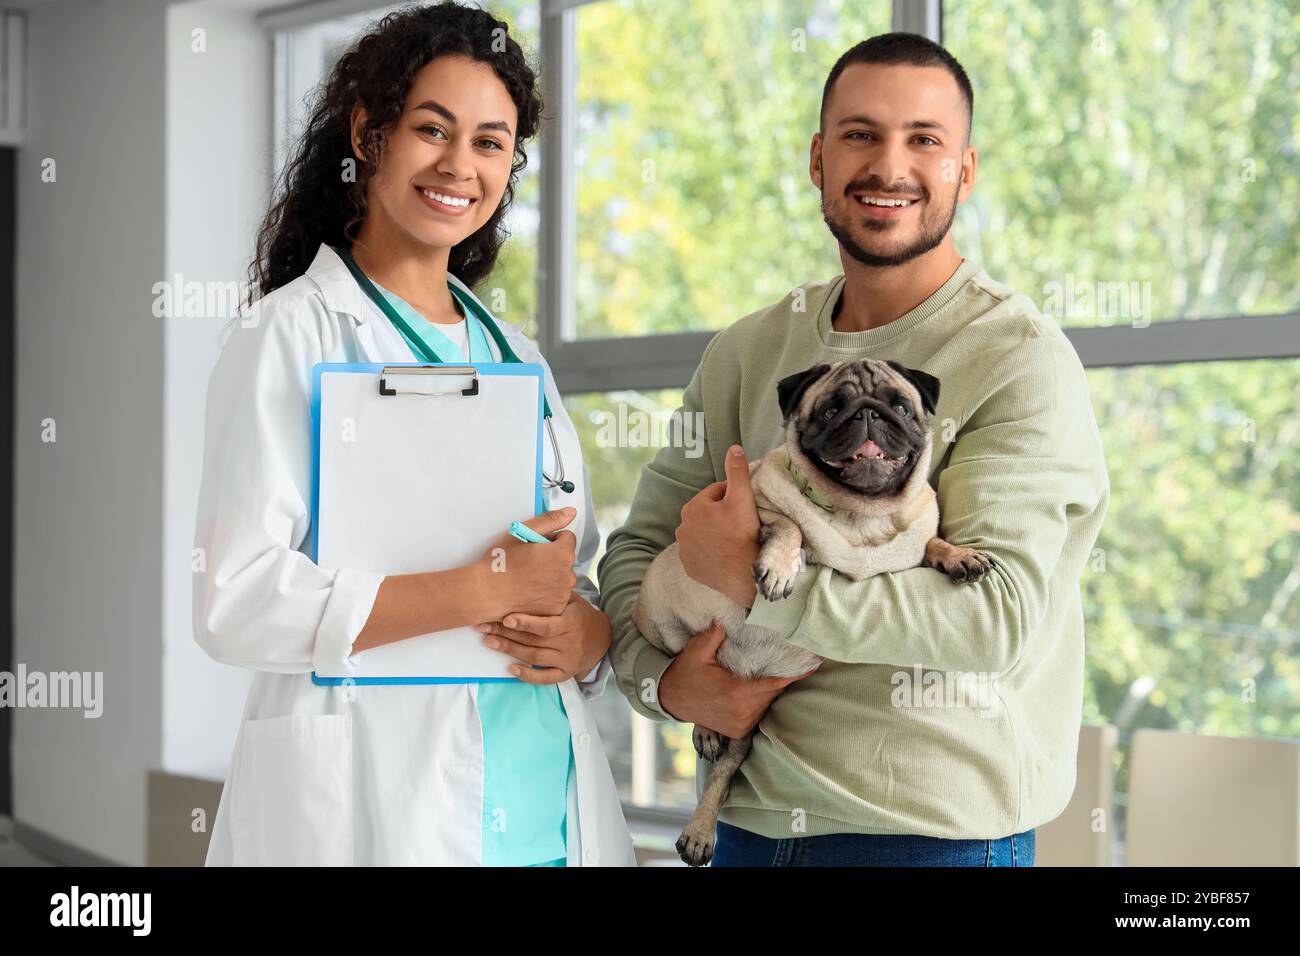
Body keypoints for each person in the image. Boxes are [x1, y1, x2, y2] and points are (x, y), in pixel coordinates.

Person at [598, 33, 1110, 867]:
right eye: (861, 134)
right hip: (746, 826)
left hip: (929, 836)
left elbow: (995, 617)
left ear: (965, 171)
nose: (890, 166)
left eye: (925, 140)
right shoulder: (745, 350)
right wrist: (659, 683)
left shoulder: (1019, 356)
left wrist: (754, 586)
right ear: (818, 158)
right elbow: (638, 550)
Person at [193, 1, 634, 867]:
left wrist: (588, 635)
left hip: (541, 792)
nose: (459, 166)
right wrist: (475, 590)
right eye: (433, 129)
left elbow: (561, 574)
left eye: (490, 143)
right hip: (378, 796)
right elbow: (235, 600)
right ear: (369, 132)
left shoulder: (520, 361)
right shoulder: (292, 333)